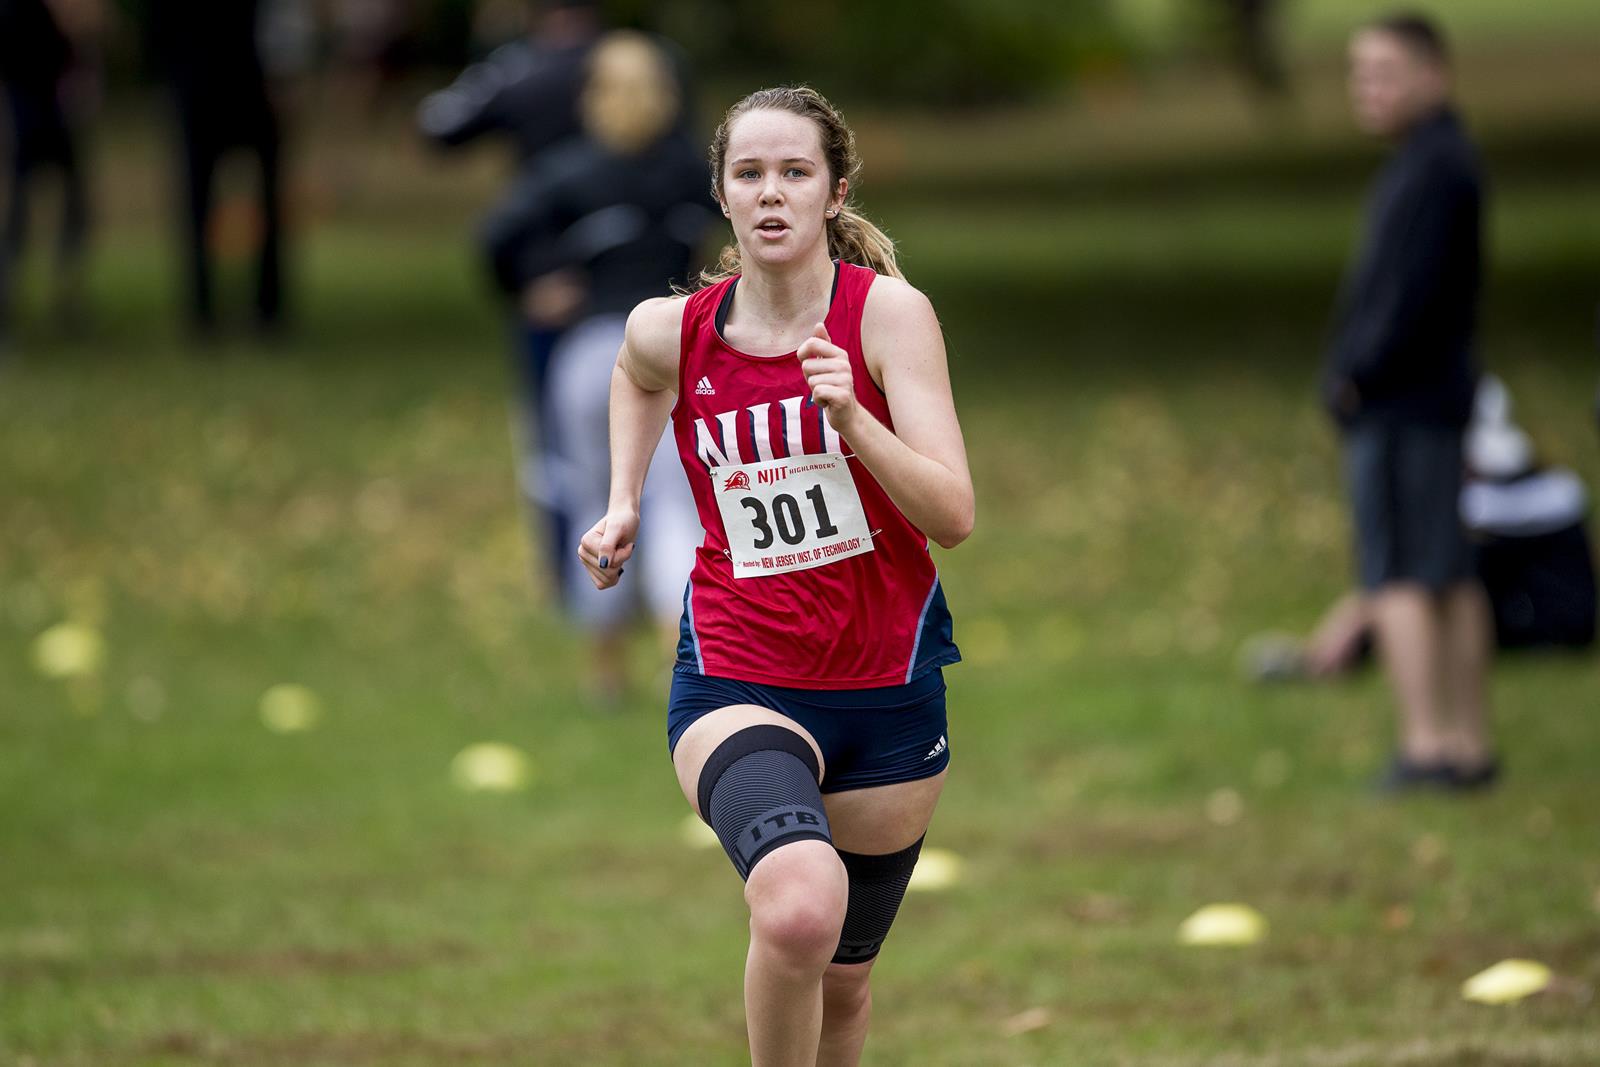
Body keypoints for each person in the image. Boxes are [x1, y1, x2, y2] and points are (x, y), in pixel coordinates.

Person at [577, 86, 972, 1065]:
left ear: (834, 191)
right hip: (737, 674)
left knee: (842, 983)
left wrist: (854, 421)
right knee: (797, 910)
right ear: (720, 191)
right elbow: (634, 370)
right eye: (748, 173)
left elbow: (952, 515)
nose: (771, 192)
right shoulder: (679, 329)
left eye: (794, 171)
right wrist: (624, 496)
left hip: (885, 688)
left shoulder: (887, 317)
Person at [479, 31, 714, 702]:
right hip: (672, 352)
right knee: (675, 505)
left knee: (596, 502)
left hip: (590, 357)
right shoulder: (693, 173)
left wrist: (530, 285)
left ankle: (604, 674)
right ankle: (688, 663)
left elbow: (494, 237)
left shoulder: (566, 171)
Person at [1323, 13, 1495, 791]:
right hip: (1430, 400)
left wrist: (1356, 375)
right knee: (1447, 568)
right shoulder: (1434, 161)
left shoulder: (1436, 170)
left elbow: (1410, 300)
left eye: (1387, 71)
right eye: (1361, 73)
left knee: (1399, 573)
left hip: (1402, 405)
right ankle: (1467, 745)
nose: (1370, 87)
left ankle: (1429, 748)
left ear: (1435, 74)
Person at [147, 0, 287, 338]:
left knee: (233, 201)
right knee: (199, 203)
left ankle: (256, 307)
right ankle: (208, 309)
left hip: (233, 84)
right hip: (215, 85)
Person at [0, 0, 95, 347]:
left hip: (58, 113)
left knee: (74, 211)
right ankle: (8, 306)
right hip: (23, 113)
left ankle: (68, 298)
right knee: (17, 219)